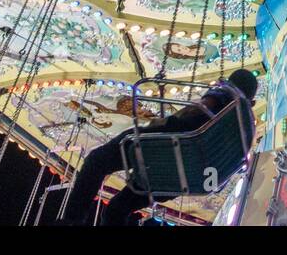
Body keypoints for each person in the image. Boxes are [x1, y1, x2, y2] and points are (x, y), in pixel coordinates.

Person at [61, 69, 258, 226]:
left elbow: (196, 111)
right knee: (116, 209)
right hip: (179, 179)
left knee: (97, 161)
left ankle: (72, 220)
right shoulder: (246, 128)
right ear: (253, 99)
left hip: (165, 151)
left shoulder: (226, 94)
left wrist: (162, 123)